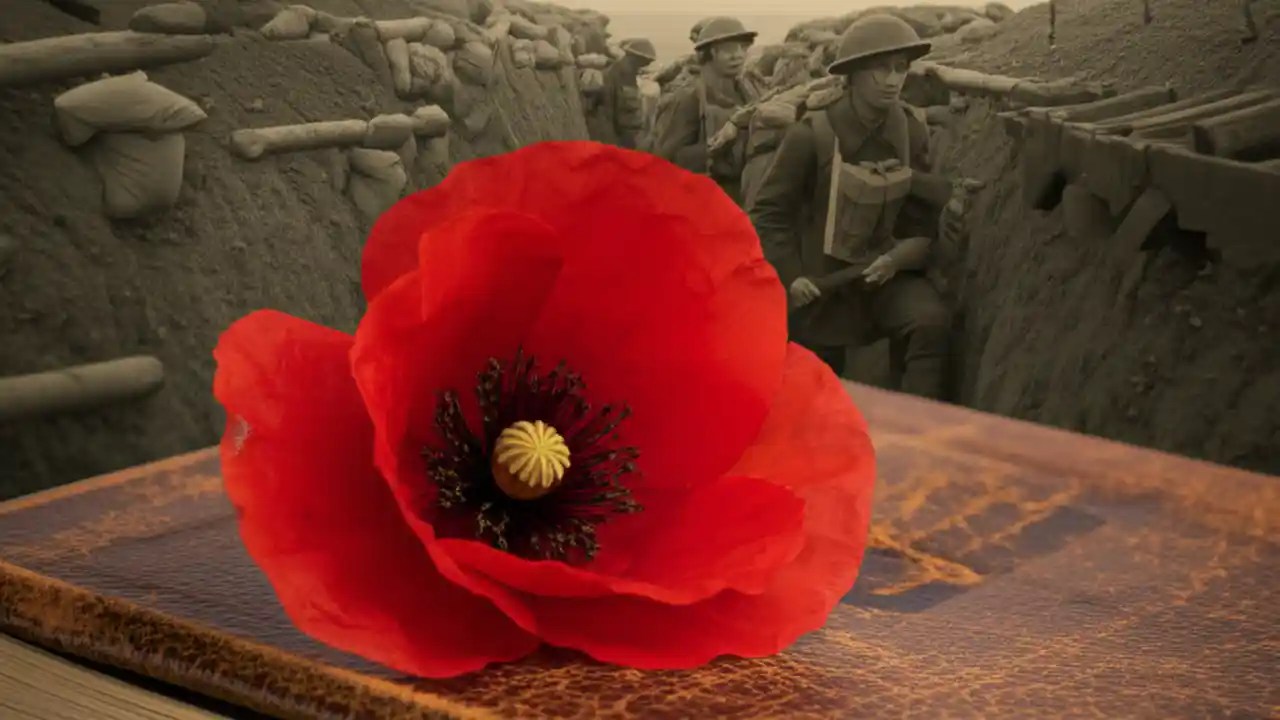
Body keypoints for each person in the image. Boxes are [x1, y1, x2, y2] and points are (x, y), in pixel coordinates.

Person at [748, 14, 956, 401]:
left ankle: (915, 433)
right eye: (880, 70)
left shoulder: (911, 131)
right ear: (853, 75)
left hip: (883, 281)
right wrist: (793, 277)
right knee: (815, 395)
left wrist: (898, 257)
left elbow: (920, 219)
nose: (893, 80)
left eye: (900, 68)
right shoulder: (811, 135)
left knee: (930, 321)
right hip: (821, 289)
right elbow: (768, 214)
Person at [651, 16, 762, 203]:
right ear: (708, 54)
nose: (738, 55)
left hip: (741, 196)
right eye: (728, 50)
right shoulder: (688, 98)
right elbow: (666, 160)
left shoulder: (748, 92)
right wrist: (717, 148)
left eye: (743, 48)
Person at [585, 38, 655, 149]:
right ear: (635, 58)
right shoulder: (615, 75)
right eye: (645, 61)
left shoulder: (629, 75)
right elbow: (608, 111)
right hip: (619, 136)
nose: (645, 65)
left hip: (628, 134)